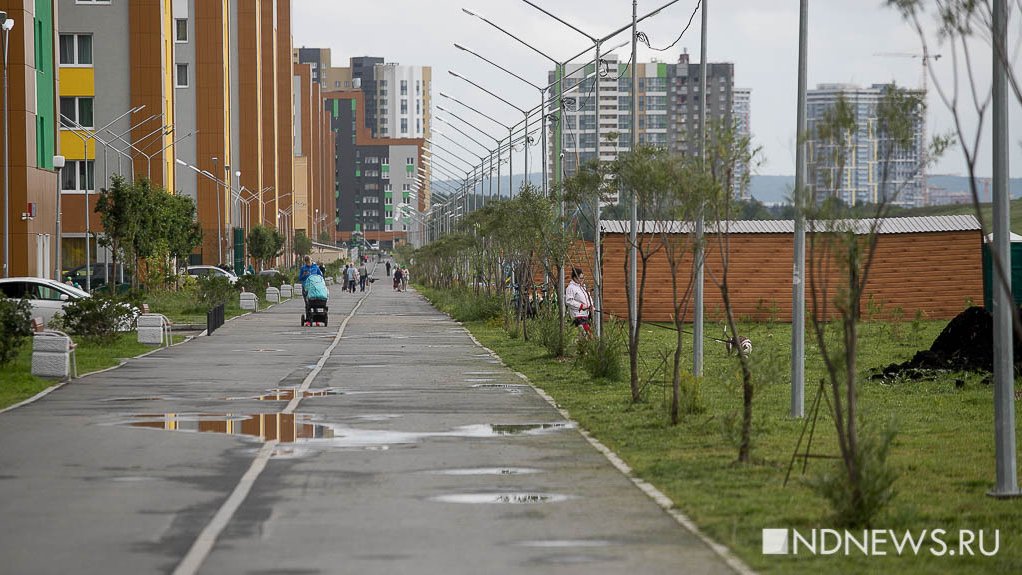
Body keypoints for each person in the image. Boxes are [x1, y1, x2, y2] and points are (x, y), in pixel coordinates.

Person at [565, 267, 593, 334]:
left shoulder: (583, 287)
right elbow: (569, 301)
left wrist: (591, 305)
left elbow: (588, 298)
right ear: (575, 278)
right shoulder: (571, 288)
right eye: (580, 278)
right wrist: (581, 306)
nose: (582, 280)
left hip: (585, 315)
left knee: (586, 335)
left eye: (583, 278)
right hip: (577, 315)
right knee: (586, 335)